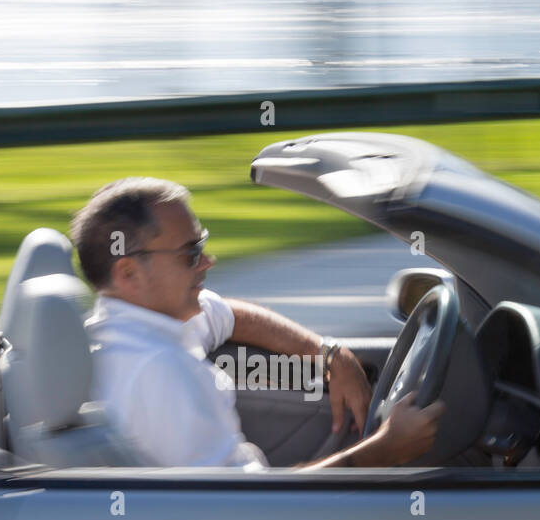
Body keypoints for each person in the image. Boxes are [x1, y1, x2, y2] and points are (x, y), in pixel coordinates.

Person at [70, 177, 444, 470]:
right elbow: (248, 511)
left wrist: (330, 354)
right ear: (129, 272)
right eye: (191, 253)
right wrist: (385, 451)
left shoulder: (139, 326)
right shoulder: (161, 370)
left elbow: (229, 315)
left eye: (202, 244)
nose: (208, 261)